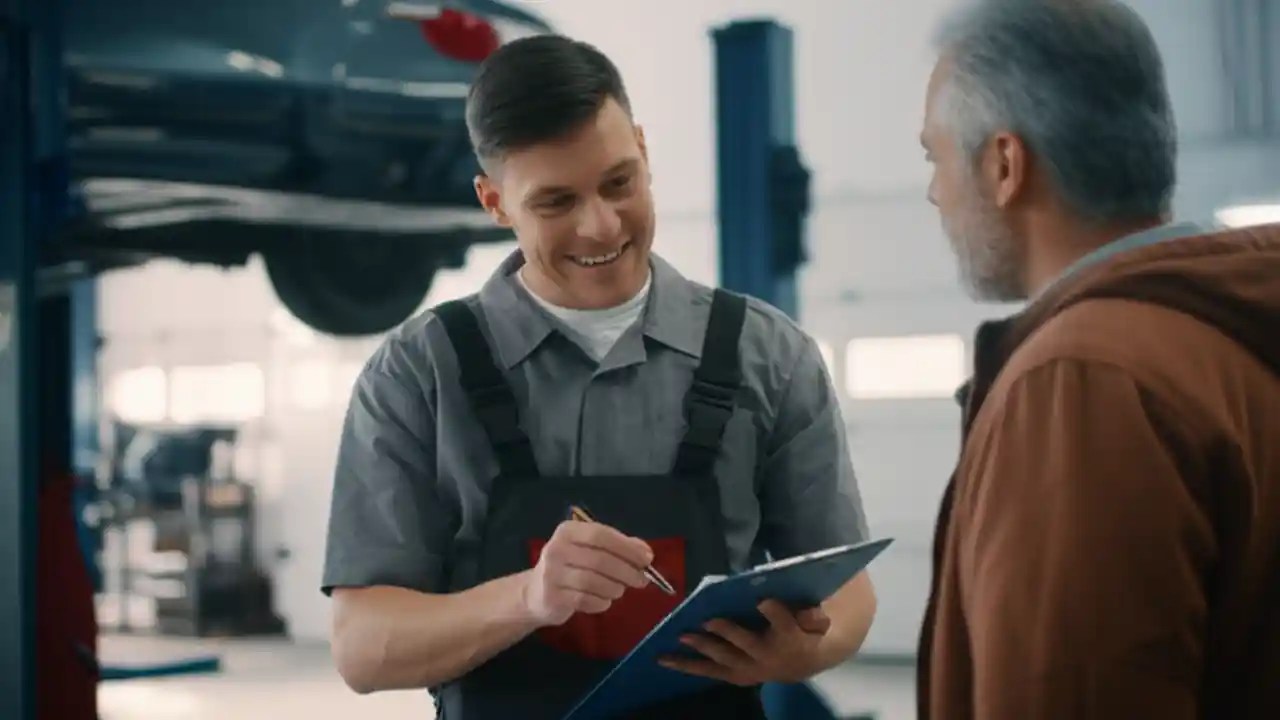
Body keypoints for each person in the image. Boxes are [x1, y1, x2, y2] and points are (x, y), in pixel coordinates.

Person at [321, 34, 877, 719]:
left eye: (620, 182)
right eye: (555, 202)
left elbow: (847, 591)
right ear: (495, 201)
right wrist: (528, 598)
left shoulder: (771, 355)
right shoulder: (416, 374)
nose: (600, 225)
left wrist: (804, 653)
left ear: (643, 150)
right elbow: (362, 647)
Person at [916, 0, 1280, 718]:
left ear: (1004, 164)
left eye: (935, 157)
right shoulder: (1231, 334)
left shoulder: (1081, 385)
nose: (932, 192)